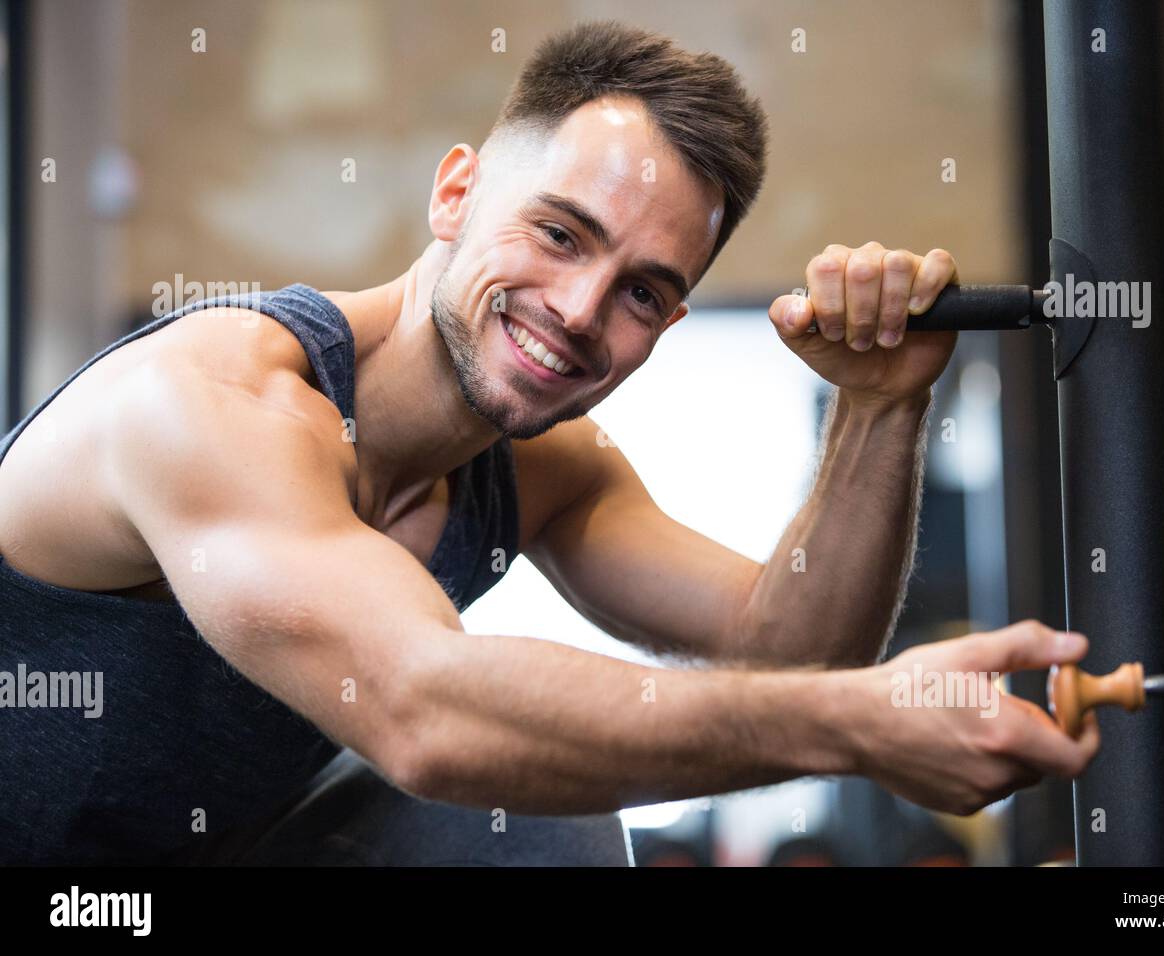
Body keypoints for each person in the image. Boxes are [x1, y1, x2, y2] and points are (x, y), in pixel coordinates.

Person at [0, 20, 1098, 866]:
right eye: (559, 232)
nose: (578, 308)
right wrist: (861, 722)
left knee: (523, 822)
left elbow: (791, 654)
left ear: (667, 328)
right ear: (457, 192)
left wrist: (879, 409)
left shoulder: (540, 470)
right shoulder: (216, 398)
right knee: (487, 760)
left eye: (640, 290)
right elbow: (424, 707)